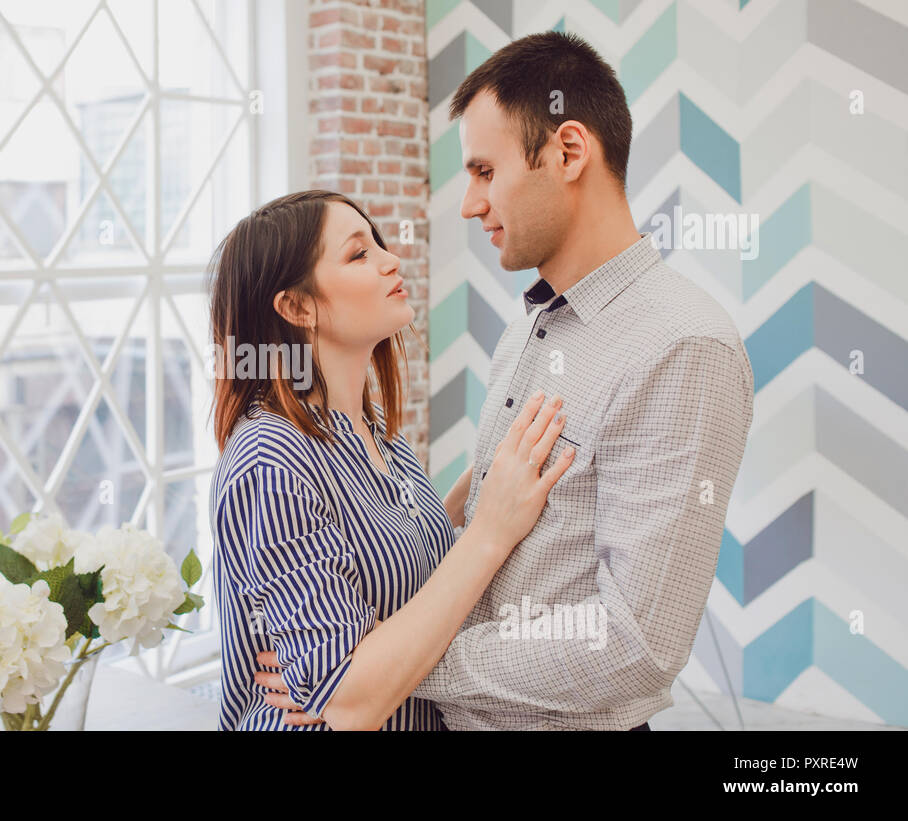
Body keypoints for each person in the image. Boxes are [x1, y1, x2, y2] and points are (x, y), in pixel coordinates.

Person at [261, 31, 755, 730]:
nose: (468, 203)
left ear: (568, 152)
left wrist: (382, 664)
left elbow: (635, 641)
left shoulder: (682, 345)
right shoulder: (531, 325)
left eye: (485, 172)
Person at [209, 189, 572, 730]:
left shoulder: (375, 432)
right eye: (359, 254)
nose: (391, 259)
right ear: (296, 306)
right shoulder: (271, 458)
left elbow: (402, 552)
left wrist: (489, 483)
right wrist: (490, 532)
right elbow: (351, 700)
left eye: (376, 243)